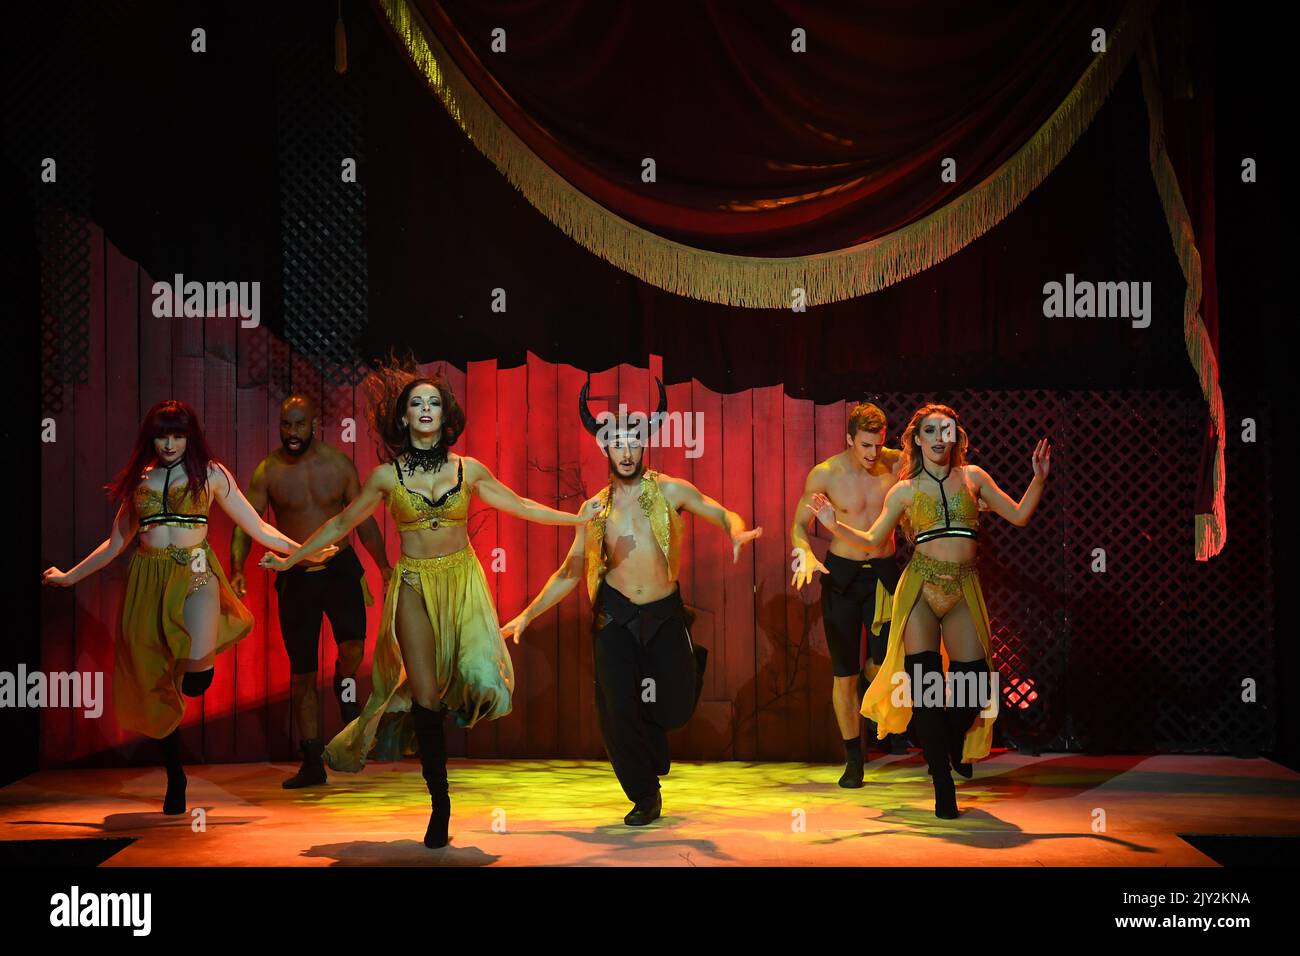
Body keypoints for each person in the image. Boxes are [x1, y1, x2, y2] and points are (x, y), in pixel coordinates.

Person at [258, 360, 599, 848]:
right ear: (404, 417)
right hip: (414, 585)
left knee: (481, 677)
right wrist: (293, 558)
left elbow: (520, 505)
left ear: (445, 416)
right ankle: (440, 803)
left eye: (433, 402)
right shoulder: (383, 477)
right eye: (416, 402)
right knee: (425, 696)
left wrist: (574, 521)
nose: (424, 409)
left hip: (461, 583)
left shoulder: (470, 470)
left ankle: (440, 756)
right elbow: (339, 525)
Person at [41, 399, 332, 814]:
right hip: (148, 579)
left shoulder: (211, 474)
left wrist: (306, 552)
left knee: (195, 682)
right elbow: (115, 543)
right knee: (157, 684)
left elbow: (258, 525)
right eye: (163, 435)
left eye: (178, 435)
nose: (171, 443)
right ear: (151, 438)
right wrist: (68, 576)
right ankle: (174, 773)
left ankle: (187, 676)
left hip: (196, 572)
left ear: (189, 436)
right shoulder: (139, 481)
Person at [500, 380, 762, 826]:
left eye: (633, 444)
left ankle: (678, 682)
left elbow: (718, 511)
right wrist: (526, 614)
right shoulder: (594, 508)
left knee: (674, 710)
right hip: (615, 617)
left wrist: (734, 529)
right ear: (605, 449)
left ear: (645, 447)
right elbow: (568, 572)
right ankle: (645, 794)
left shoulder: (669, 490)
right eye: (617, 445)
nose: (625, 453)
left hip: (663, 613)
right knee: (617, 709)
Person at [809, 403, 1049, 818]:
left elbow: (1020, 515)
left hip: (962, 585)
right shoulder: (903, 490)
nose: (941, 437)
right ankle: (942, 783)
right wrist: (834, 525)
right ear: (917, 440)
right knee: (925, 689)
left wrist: (1039, 480)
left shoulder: (973, 478)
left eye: (948, 430)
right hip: (921, 586)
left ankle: (951, 744)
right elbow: (870, 540)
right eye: (932, 431)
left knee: (974, 686)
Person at [231, 393, 392, 790]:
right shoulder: (267, 471)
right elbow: (244, 523)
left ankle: (343, 678)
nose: (292, 432)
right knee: (302, 674)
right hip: (296, 576)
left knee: (353, 645)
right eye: (286, 425)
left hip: (340, 569)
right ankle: (312, 762)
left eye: (300, 424)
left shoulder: (338, 465)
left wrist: (385, 566)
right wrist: (237, 567)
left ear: (314, 425)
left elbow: (364, 522)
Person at [791, 401, 905, 788]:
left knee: (883, 664)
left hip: (885, 574)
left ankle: (881, 711)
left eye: (879, 445)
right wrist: (803, 550)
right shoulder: (825, 474)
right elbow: (798, 527)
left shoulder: (898, 463)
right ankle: (854, 759)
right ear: (849, 439)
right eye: (865, 446)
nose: (873, 454)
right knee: (845, 673)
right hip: (842, 575)